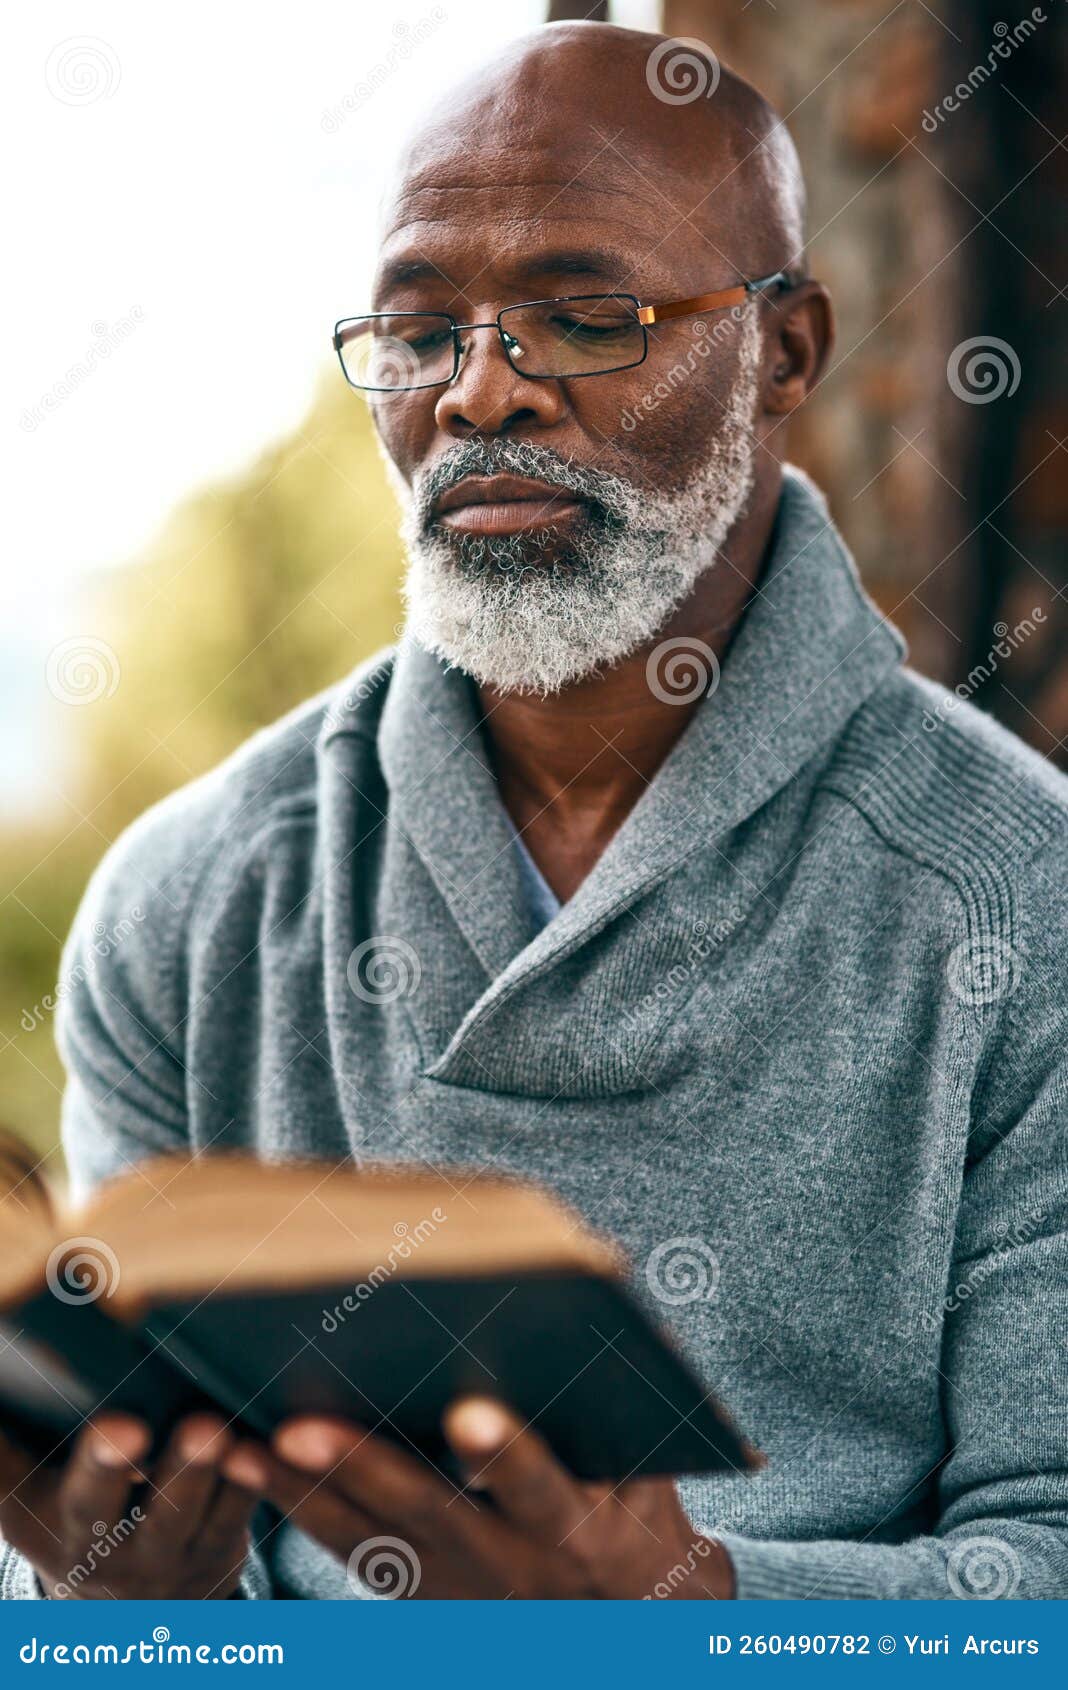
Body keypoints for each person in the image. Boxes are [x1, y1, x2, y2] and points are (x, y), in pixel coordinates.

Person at [2, 22, 1065, 1601]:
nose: (480, 393)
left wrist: (682, 1616)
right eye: (420, 330)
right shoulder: (193, 897)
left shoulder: (1021, 899)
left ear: (785, 352)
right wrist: (117, 1593)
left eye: (583, 318)